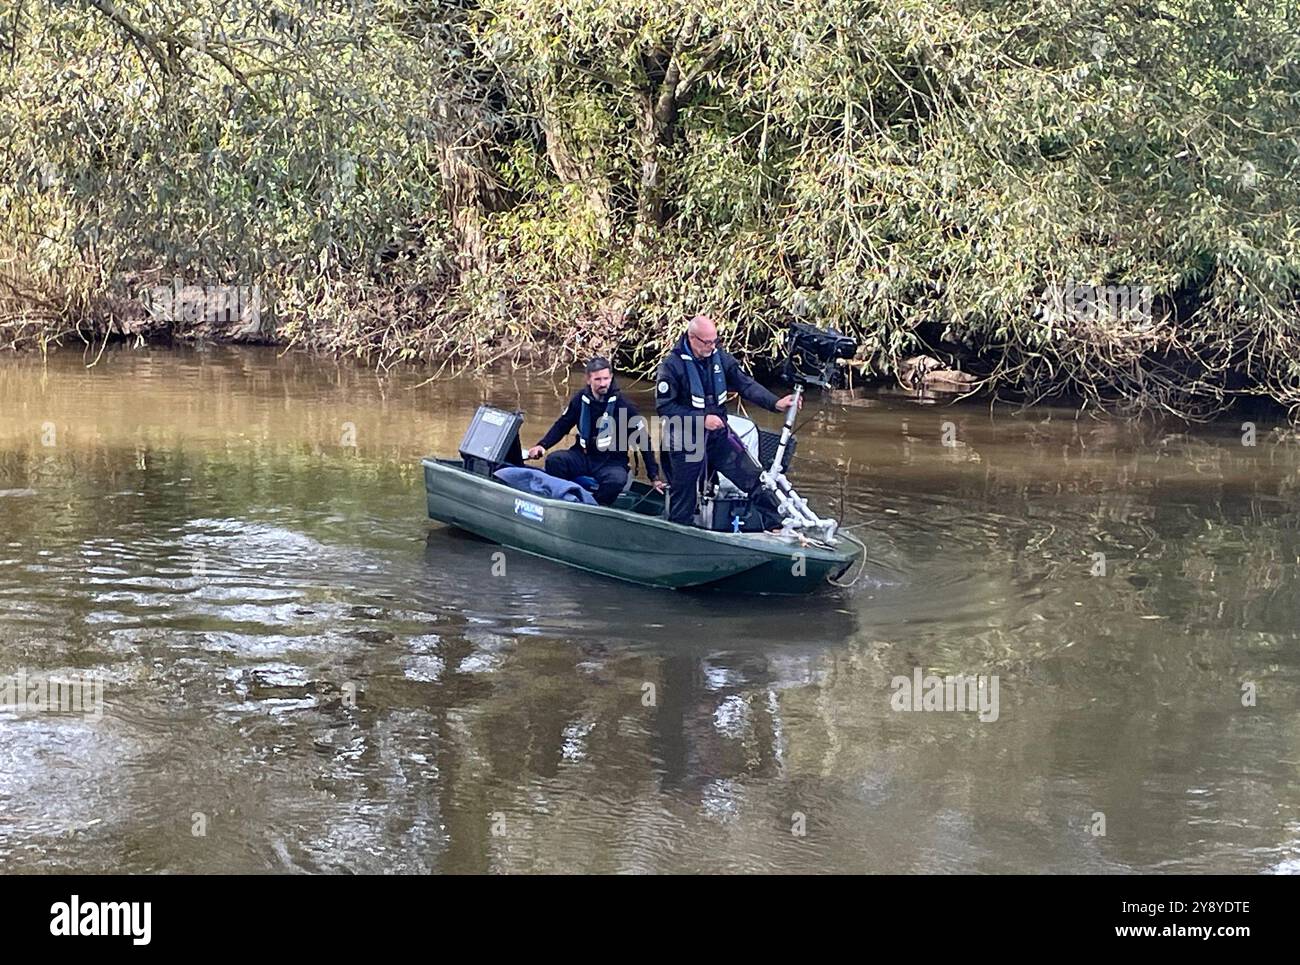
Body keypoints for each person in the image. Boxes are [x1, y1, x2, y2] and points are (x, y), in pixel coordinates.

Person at [655, 314, 798, 527]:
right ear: (691, 338)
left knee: (754, 479)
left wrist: (775, 403)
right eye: (707, 342)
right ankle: (679, 535)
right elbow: (665, 408)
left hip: (718, 436)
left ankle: (779, 524)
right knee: (684, 496)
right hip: (687, 439)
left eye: (715, 341)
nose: (712, 346)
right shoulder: (671, 366)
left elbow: (745, 385)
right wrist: (702, 420)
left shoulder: (720, 358)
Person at [526, 357, 664, 506]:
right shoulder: (580, 399)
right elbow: (562, 425)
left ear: (611, 377)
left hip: (612, 462)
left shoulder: (625, 406)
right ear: (588, 379)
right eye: (598, 379)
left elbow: (644, 441)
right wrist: (542, 445)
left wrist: (654, 477)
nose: (603, 383)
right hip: (583, 455)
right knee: (555, 460)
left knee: (616, 480)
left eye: (606, 378)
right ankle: (563, 500)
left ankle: (594, 507)